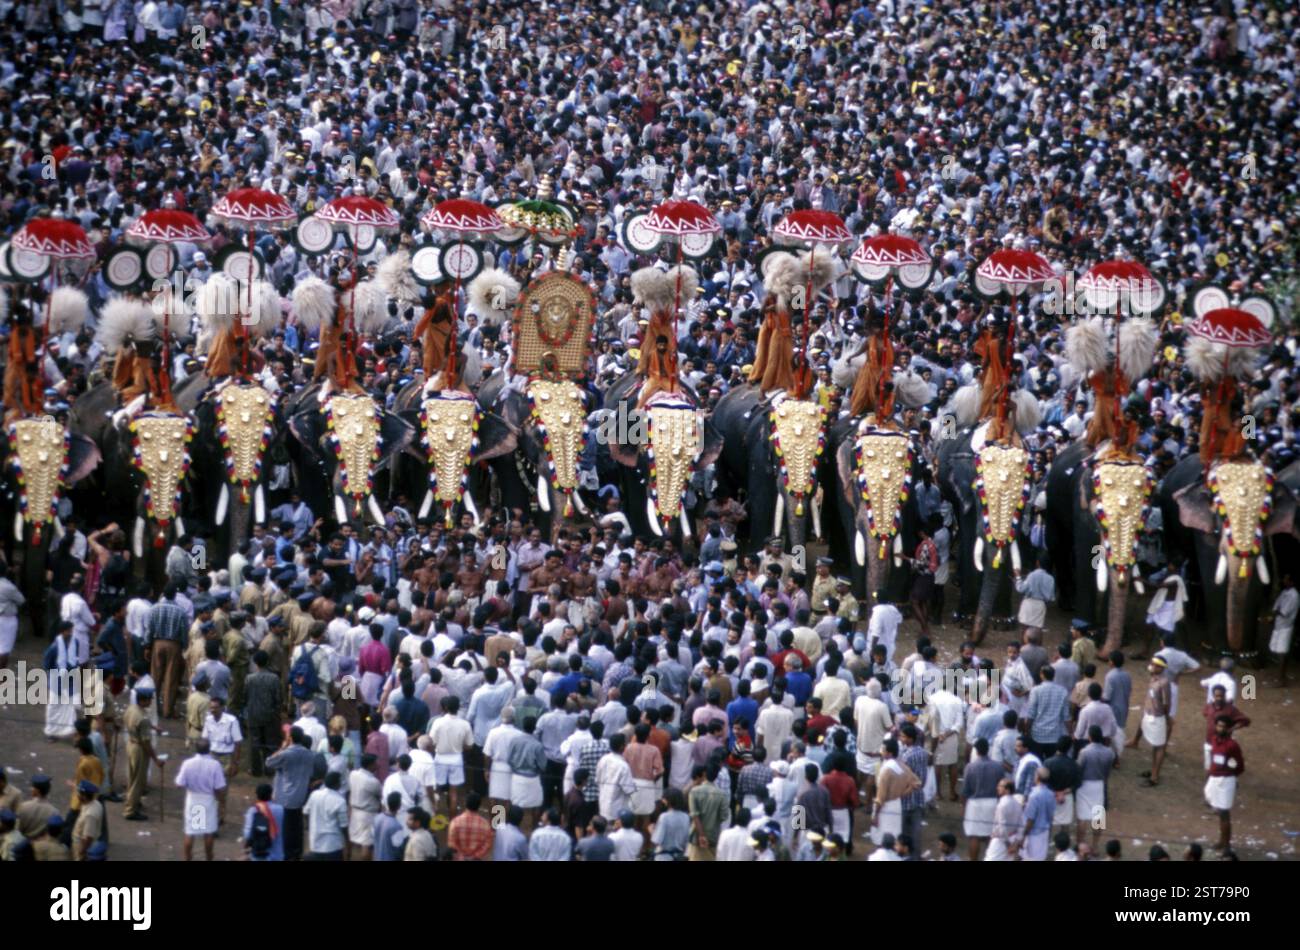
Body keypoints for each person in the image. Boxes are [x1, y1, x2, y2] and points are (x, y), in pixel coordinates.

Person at [174, 739, 226, 860]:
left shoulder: (188, 763)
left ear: (196, 749)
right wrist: (221, 802)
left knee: (191, 831)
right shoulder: (215, 764)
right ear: (209, 749)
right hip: (208, 800)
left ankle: (187, 858)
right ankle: (209, 857)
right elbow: (219, 787)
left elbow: (179, 784)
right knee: (208, 832)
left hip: (193, 799)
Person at [1126, 657, 1172, 787]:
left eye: (1156, 665)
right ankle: (1153, 770)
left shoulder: (1164, 682)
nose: (1152, 666)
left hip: (1157, 717)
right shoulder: (1154, 678)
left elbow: (1166, 703)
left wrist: (1166, 717)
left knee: (1159, 746)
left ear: (1162, 668)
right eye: (1152, 664)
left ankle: (1154, 777)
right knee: (1155, 745)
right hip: (1149, 714)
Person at [1205, 715, 1246, 854]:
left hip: (1226, 780)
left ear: (1228, 728)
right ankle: (1222, 841)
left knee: (1224, 814)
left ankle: (1226, 844)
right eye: (1218, 726)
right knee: (1211, 800)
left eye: (1223, 726)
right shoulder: (1214, 740)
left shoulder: (1232, 745)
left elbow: (1240, 765)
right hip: (1214, 777)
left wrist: (1231, 776)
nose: (1220, 728)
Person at [122, 689, 161, 822]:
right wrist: (155, 759)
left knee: (132, 777)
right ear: (143, 700)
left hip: (131, 743)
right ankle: (130, 810)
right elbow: (146, 743)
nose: (150, 702)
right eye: (149, 699)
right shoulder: (142, 718)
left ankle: (133, 802)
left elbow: (133, 722)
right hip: (139, 748)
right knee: (138, 781)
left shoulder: (132, 709)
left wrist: (154, 728)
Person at [242, 783, 285, 862]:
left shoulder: (253, 810)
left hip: (259, 854)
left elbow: (248, 834)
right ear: (271, 794)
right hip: (277, 854)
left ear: (257, 795)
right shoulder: (280, 809)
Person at [985, 778, 1024, 861]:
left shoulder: (1002, 804)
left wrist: (1008, 845)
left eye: (1000, 786)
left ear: (1007, 790)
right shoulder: (1017, 804)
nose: (997, 788)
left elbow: (1002, 827)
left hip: (1000, 841)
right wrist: (1016, 842)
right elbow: (1021, 825)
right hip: (1013, 839)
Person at [1269, 574, 1297, 685]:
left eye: (1286, 580)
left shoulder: (1294, 595)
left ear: (1291, 582)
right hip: (1279, 625)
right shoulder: (1284, 593)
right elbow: (1276, 606)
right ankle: (1279, 676)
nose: (1284, 581)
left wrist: (1275, 613)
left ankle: (1281, 679)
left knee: (1282, 652)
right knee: (1277, 651)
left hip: (1286, 627)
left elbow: (1284, 611)